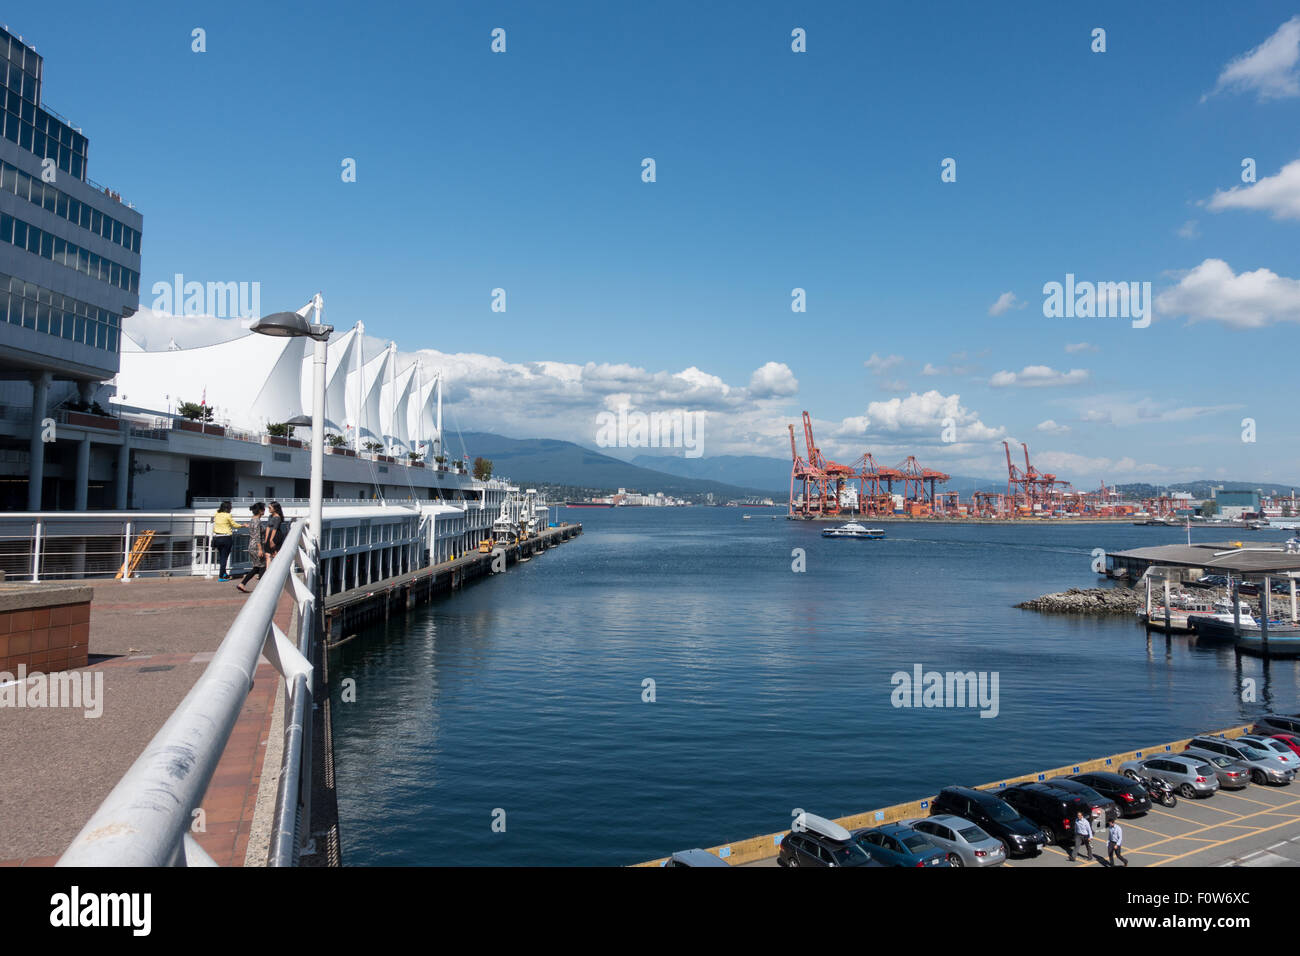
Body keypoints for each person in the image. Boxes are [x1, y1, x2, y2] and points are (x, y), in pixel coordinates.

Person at [237, 503, 267, 592]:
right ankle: (261, 588)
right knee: (262, 566)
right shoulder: (257, 521)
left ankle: (242, 584)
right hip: (257, 546)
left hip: (251, 545)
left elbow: (253, 531)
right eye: (264, 509)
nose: (264, 511)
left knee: (256, 567)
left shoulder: (252, 520)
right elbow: (257, 535)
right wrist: (260, 549)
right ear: (260, 511)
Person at [211, 500, 241, 582]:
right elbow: (234, 525)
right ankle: (221, 576)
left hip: (217, 538)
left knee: (222, 557)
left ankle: (224, 573)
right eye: (231, 507)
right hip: (226, 538)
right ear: (228, 508)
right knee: (224, 558)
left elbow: (215, 516)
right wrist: (243, 525)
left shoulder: (217, 514)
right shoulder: (228, 515)